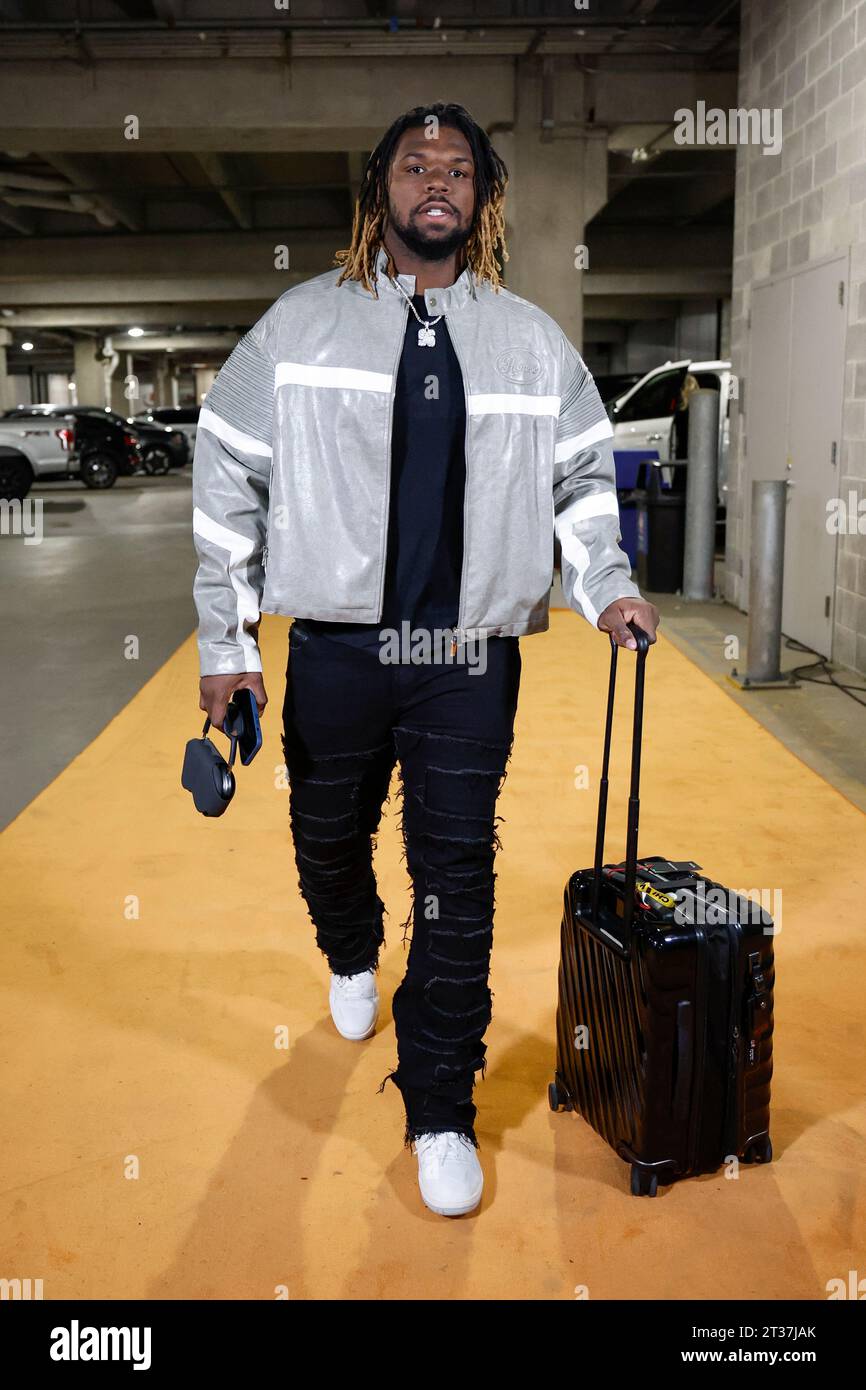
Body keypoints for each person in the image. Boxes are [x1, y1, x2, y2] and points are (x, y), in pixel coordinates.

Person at [191, 101, 660, 1218]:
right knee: (324, 838)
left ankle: (440, 1105)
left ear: (482, 199)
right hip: (341, 650)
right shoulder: (300, 328)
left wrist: (608, 586)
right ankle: (350, 949)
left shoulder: (530, 341)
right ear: (379, 192)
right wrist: (226, 637)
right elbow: (225, 477)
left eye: (456, 167)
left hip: (464, 655)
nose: (435, 179)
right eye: (415, 165)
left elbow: (583, 480)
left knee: (456, 879)